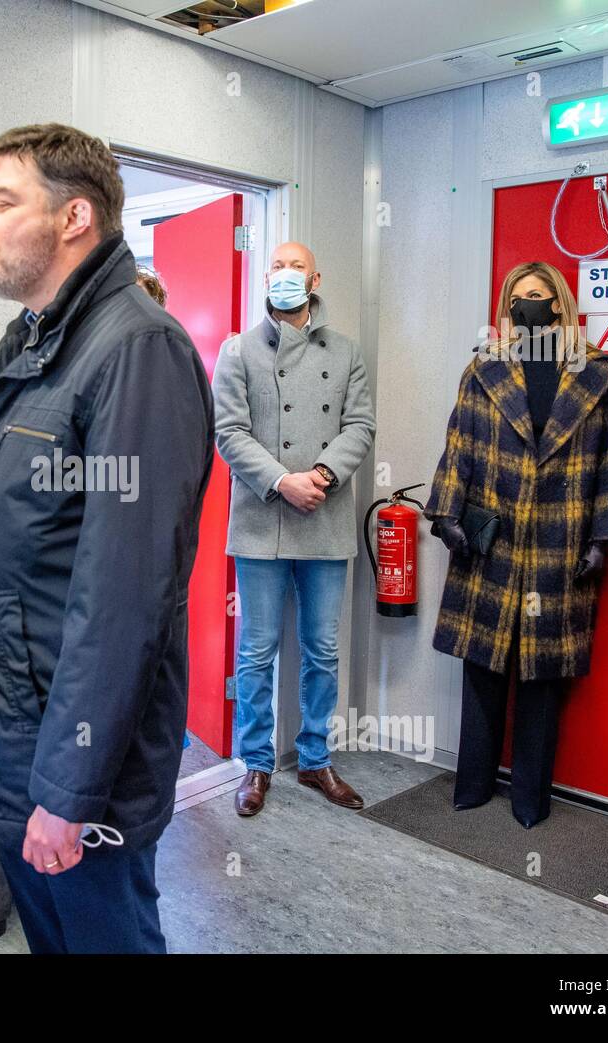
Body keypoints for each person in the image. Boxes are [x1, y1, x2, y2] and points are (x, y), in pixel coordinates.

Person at [0, 123, 214, 953]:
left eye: (1, 201)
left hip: (76, 774)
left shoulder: (137, 352)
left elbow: (122, 597)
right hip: (21, 748)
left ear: (75, 217)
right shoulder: (37, 341)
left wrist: (68, 792)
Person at [424, 261, 608, 828]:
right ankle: (473, 785)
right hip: (491, 534)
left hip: (561, 539)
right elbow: (457, 444)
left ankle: (530, 799)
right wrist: (444, 514)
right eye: (515, 297)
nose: (523, 306)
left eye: (534, 296)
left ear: (558, 304)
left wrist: (602, 536)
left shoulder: (597, 376)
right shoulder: (483, 369)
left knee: (543, 674)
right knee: (484, 665)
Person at [211, 242, 375, 817]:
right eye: (277, 267)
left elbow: (360, 424)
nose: (285, 275)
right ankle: (254, 765)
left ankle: (314, 760)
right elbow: (229, 432)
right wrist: (283, 481)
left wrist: (323, 475)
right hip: (263, 519)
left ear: (315, 277)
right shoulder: (238, 350)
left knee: (322, 649)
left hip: (325, 517)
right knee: (255, 651)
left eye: (295, 267)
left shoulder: (346, 350)